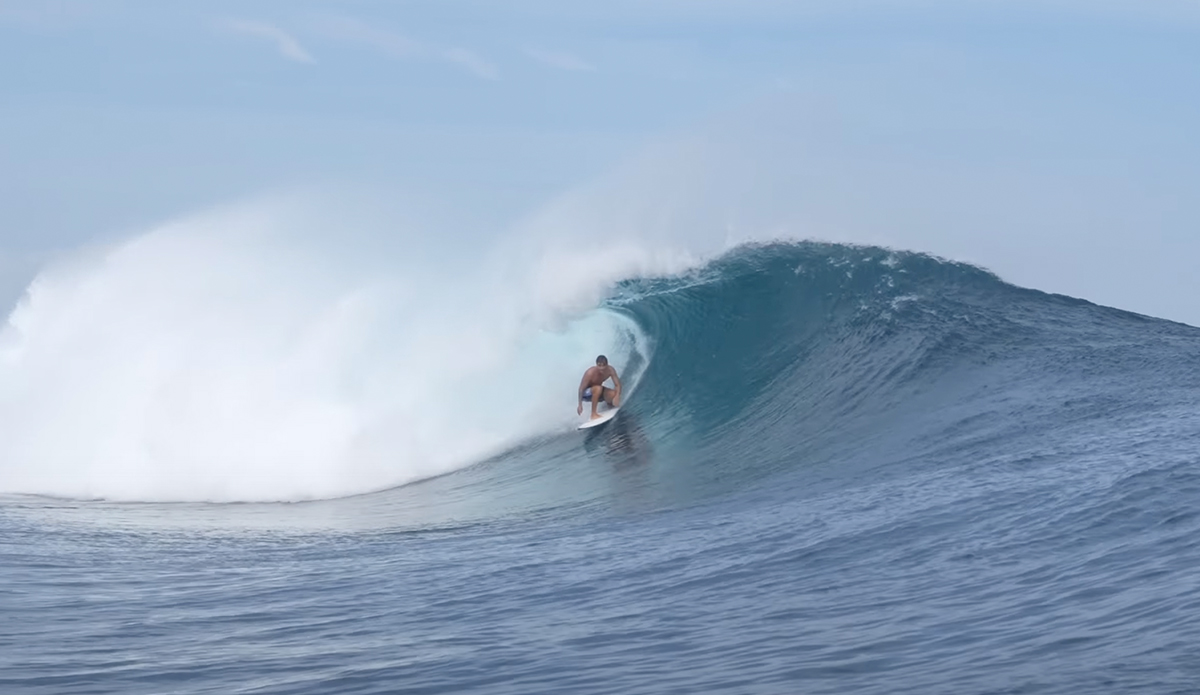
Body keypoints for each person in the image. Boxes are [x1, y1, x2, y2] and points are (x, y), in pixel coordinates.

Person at [578, 354, 622, 420]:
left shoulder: (610, 370)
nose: (601, 368)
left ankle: (610, 406)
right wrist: (580, 405)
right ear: (596, 365)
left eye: (603, 365)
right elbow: (581, 389)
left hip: (597, 391)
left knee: (613, 394)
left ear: (607, 364)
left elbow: (617, 384)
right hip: (586, 395)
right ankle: (593, 414)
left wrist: (617, 396)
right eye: (599, 365)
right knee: (598, 388)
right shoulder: (590, 373)